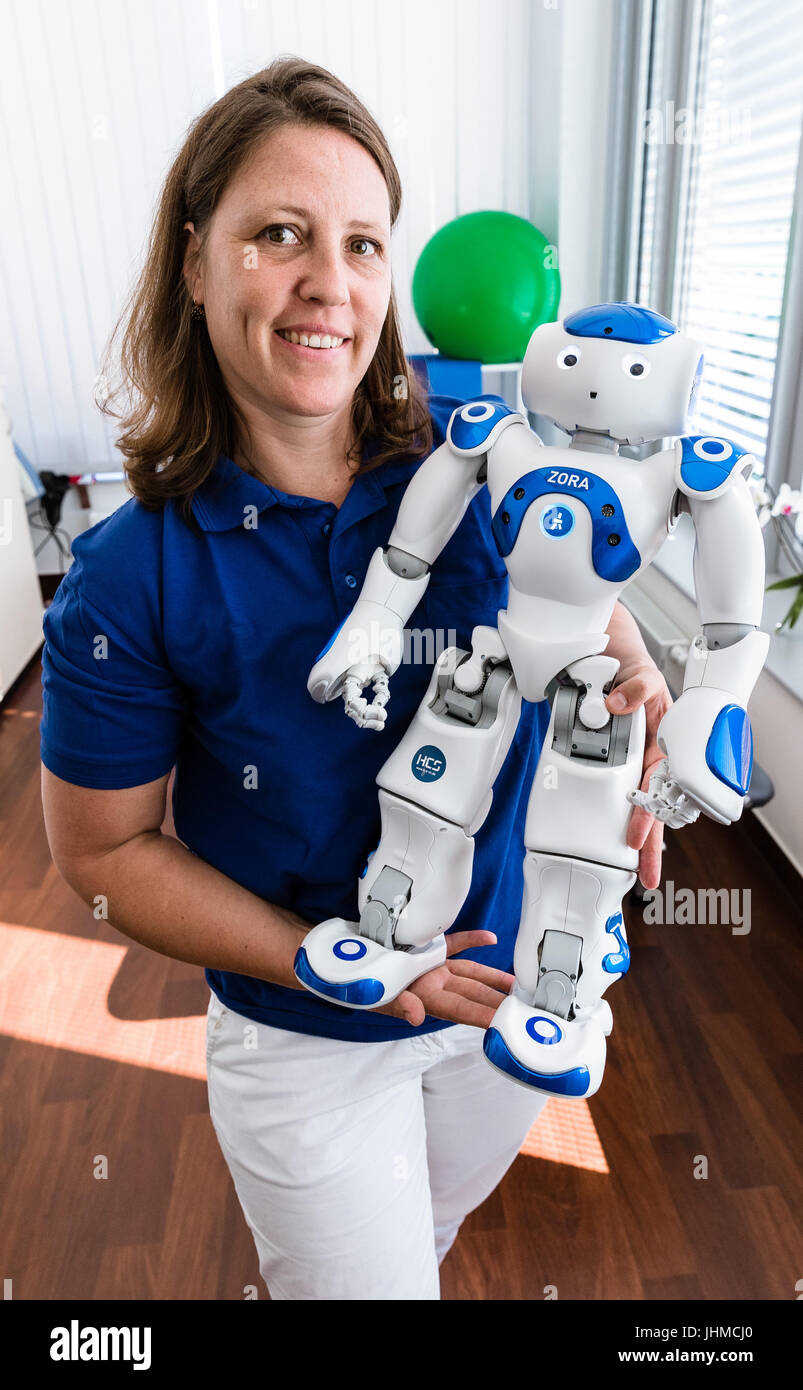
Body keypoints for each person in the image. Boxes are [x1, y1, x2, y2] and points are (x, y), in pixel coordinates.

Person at [39, 57, 671, 1301]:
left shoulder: (482, 475)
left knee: (421, 1239)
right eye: (279, 234)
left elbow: (586, 624)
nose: (329, 284)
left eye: (364, 244)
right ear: (194, 258)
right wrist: (337, 959)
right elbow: (104, 856)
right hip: (308, 1034)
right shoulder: (130, 574)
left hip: (496, 1003)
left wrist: (631, 706)